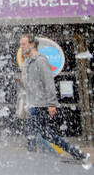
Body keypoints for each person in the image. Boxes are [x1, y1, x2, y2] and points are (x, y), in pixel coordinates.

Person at [17, 34, 88, 163]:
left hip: (41, 105)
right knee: (47, 134)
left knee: (31, 132)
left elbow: (48, 83)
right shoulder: (27, 62)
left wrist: (51, 104)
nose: (21, 46)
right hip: (32, 104)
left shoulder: (41, 60)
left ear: (32, 44)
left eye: (23, 44)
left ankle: (31, 159)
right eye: (21, 44)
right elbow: (30, 84)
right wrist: (21, 82)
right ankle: (78, 154)